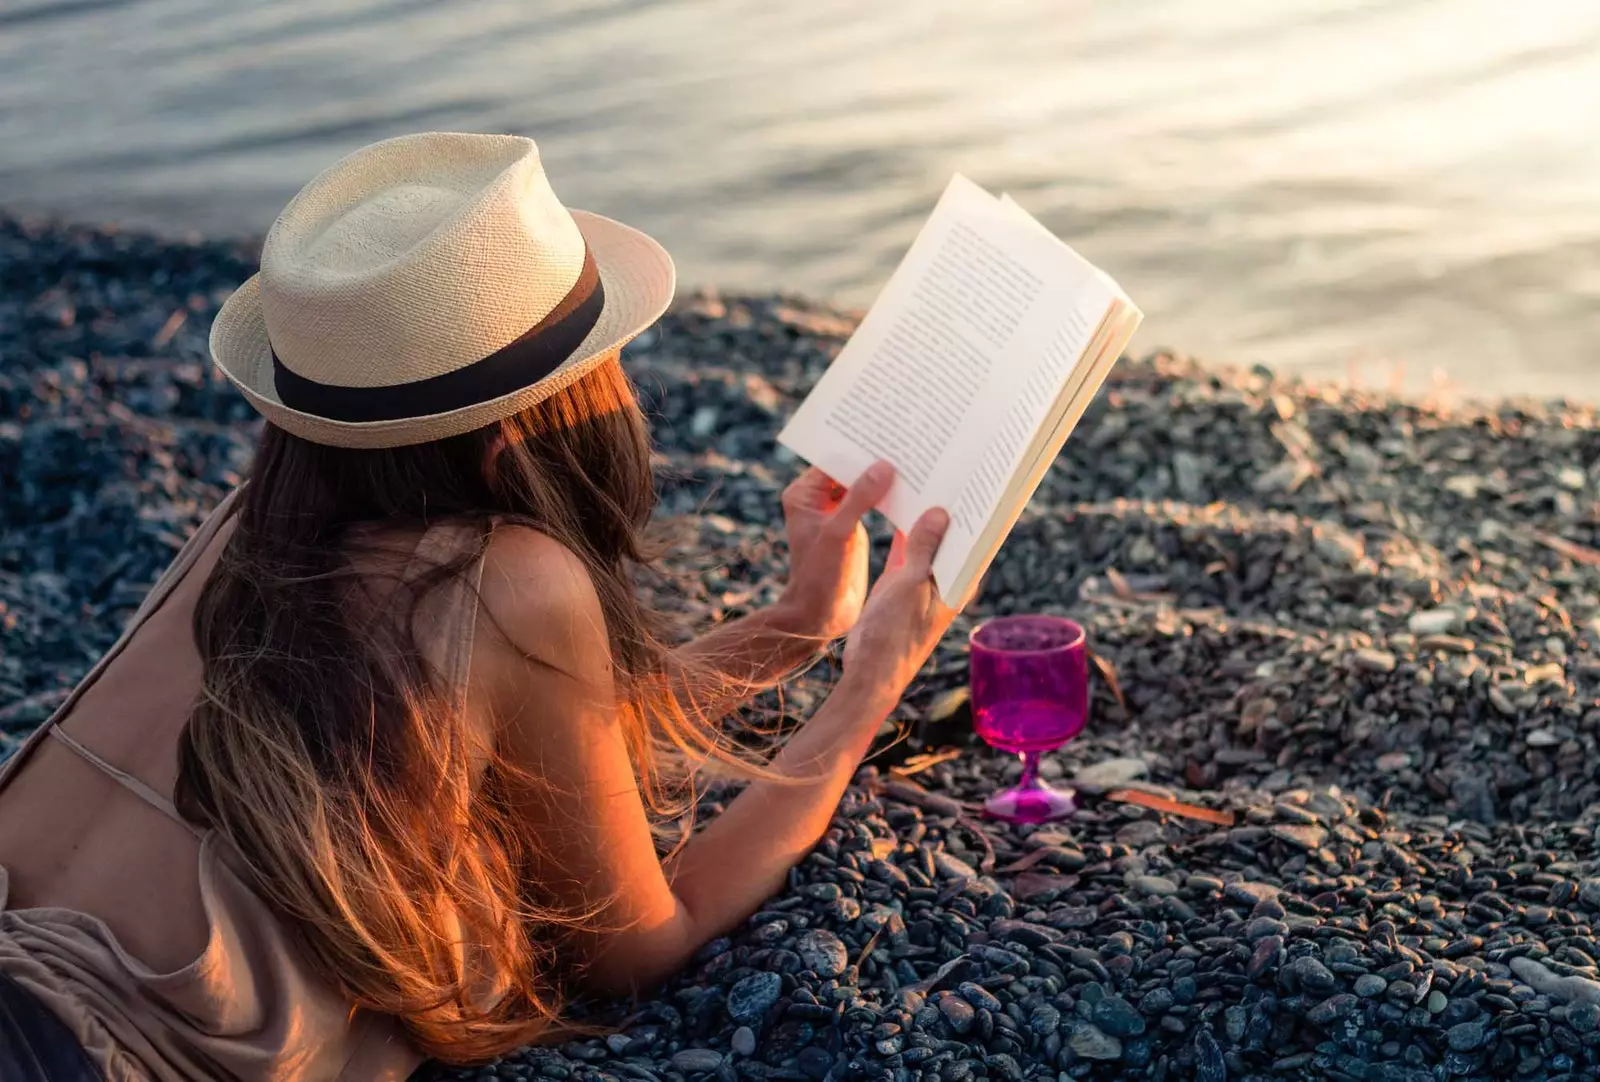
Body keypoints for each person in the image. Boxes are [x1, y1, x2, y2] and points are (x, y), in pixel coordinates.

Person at [0, 132, 955, 1081]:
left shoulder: (254, 527)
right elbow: (641, 946)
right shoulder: (510, 578)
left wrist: (800, 623)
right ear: (536, 420)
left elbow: (569, 756)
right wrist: (868, 687)